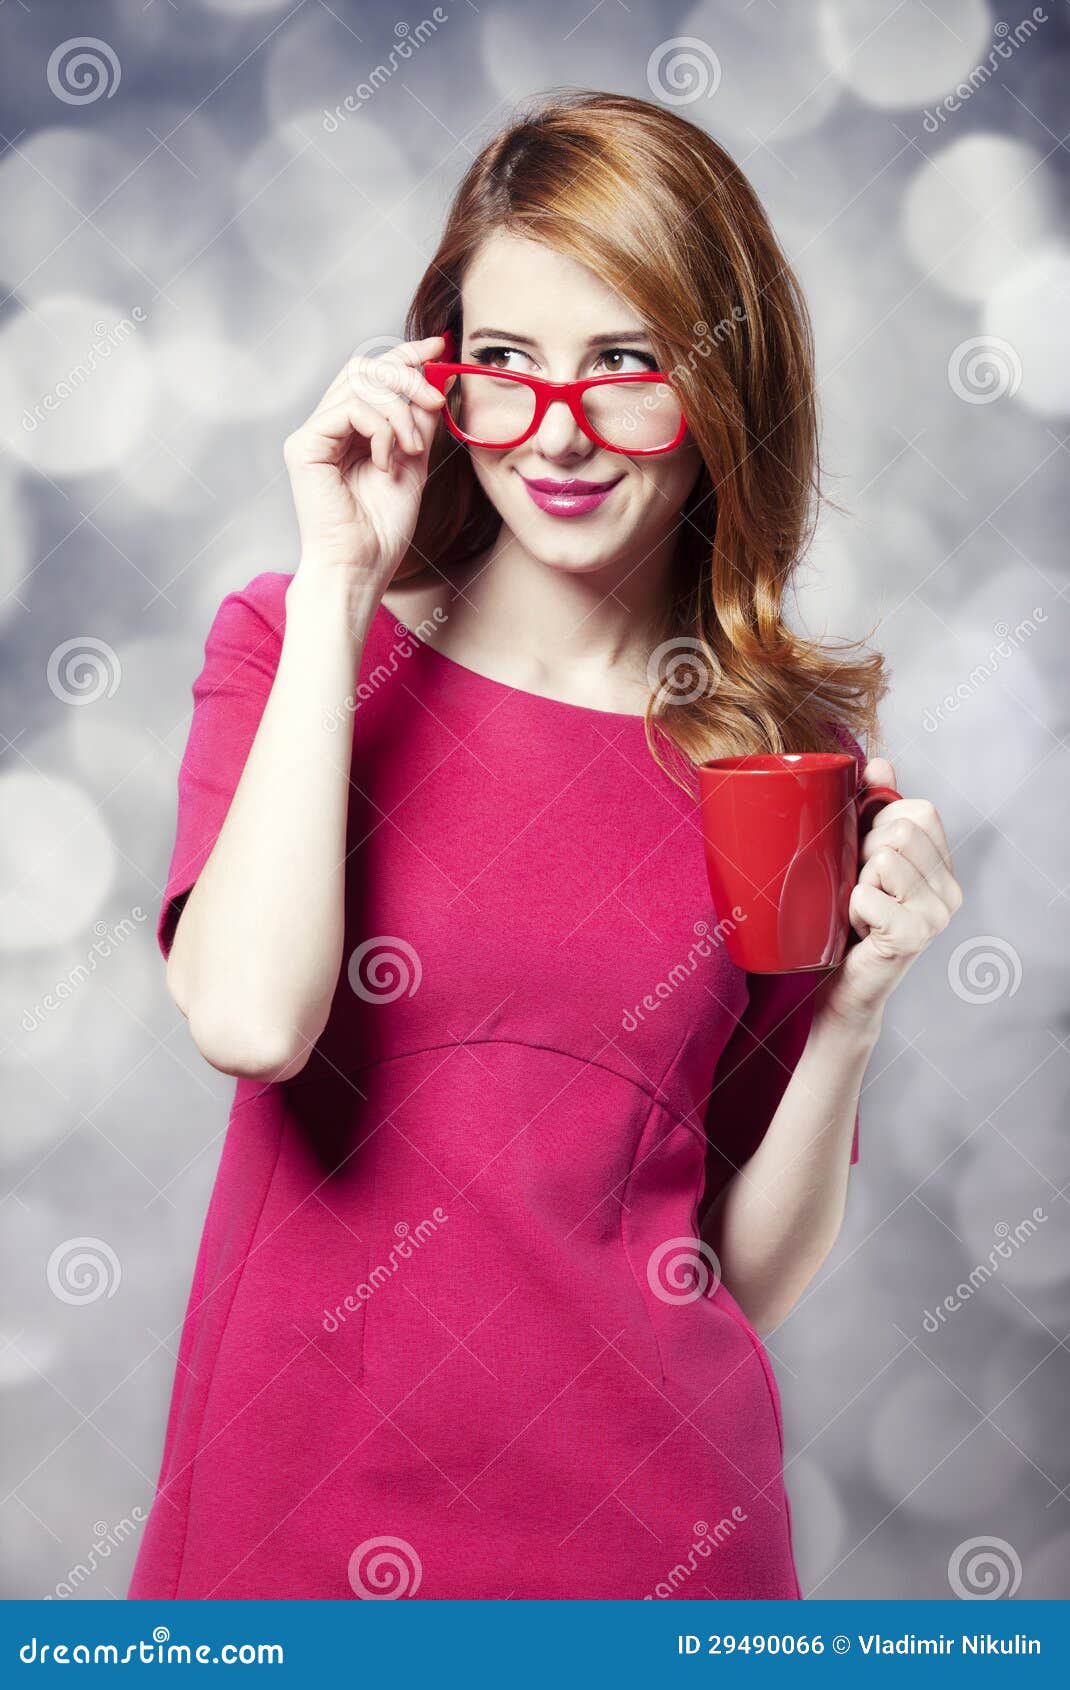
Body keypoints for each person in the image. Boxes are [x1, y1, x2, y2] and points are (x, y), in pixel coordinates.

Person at [128, 90, 962, 1602]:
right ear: (437, 381)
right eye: (502, 368)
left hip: (655, 1545)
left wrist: (852, 1010)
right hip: (295, 1529)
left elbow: (740, 1271)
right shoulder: (292, 646)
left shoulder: (782, 764)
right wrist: (338, 584)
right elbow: (250, 1020)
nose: (555, 433)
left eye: (624, 365)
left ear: (721, 389)